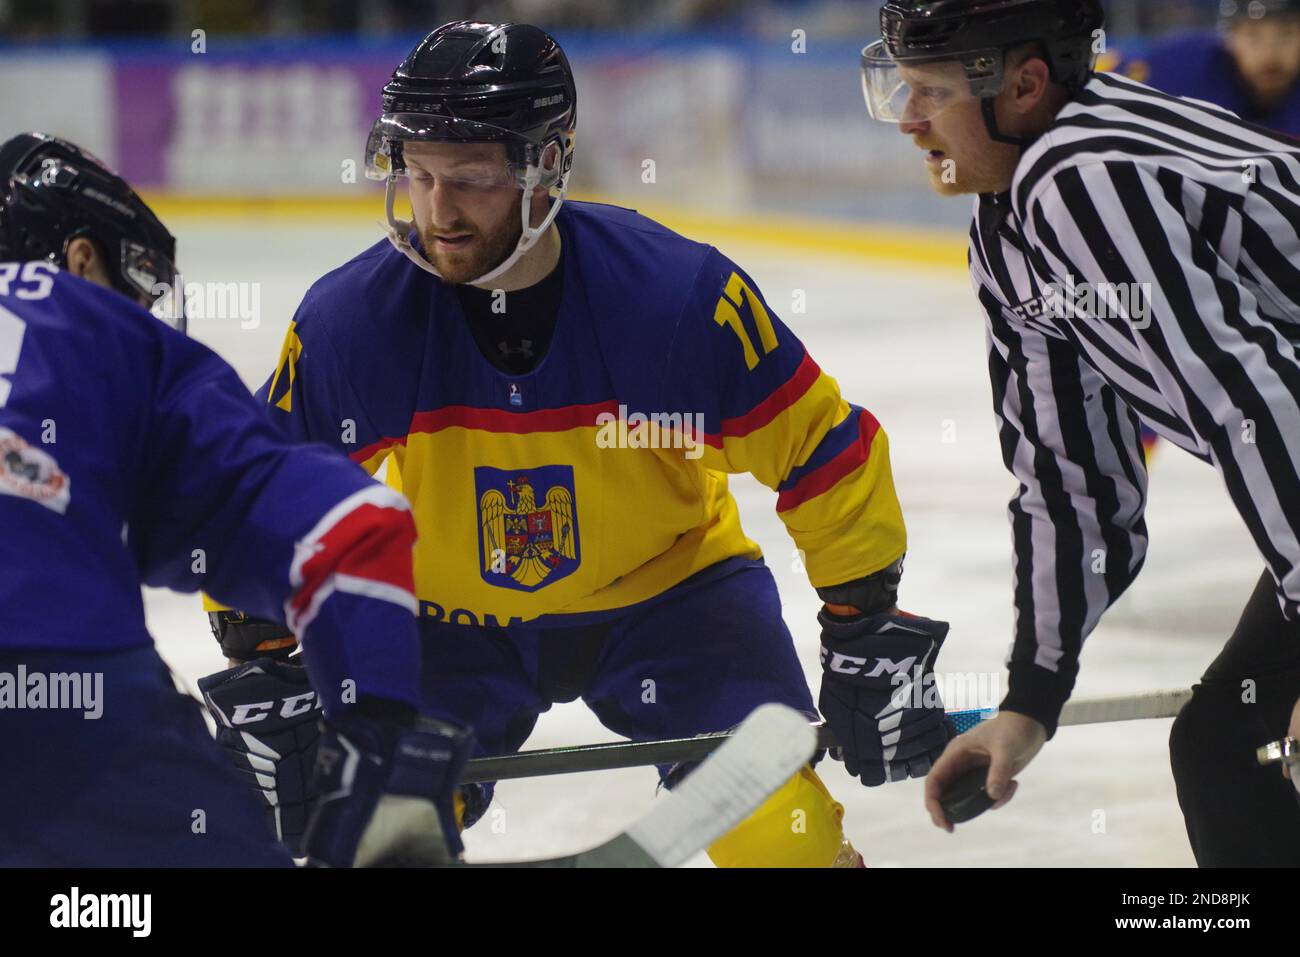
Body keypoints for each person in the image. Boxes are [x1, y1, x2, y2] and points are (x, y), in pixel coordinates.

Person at [212, 19, 956, 868]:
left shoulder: (677, 299)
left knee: (783, 835)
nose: (437, 212)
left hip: (675, 600)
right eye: (418, 175)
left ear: (550, 163)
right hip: (448, 619)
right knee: (373, 835)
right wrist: (265, 658)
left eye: (471, 178)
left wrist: (862, 620)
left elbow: (821, 447)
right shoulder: (353, 326)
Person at [860, 0, 1300, 866]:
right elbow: (1072, 480)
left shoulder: (1080, 173)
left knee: (1235, 749)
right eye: (900, 91)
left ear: (1023, 86)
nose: (909, 123)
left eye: (930, 92)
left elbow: (1251, 401)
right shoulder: (1011, 222)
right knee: (1225, 747)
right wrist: (1032, 697)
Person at [0, 132, 468, 867]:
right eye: (137, 282)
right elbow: (354, 526)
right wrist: (377, 739)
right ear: (81, 260)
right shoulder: (104, 341)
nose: (137, 308)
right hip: (61, 698)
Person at [1110, 0, 1300, 136]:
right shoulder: (1182, 66)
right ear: (1229, 39)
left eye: (1287, 35)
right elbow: (1103, 75)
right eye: (1253, 36)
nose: (1269, 54)